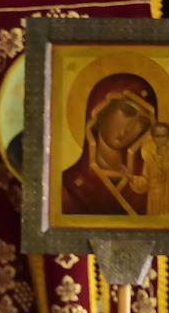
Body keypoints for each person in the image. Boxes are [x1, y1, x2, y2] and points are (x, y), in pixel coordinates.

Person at [61, 73, 156, 216]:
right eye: (128, 112)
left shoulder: (148, 186)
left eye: (142, 123)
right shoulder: (67, 185)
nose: (131, 127)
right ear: (100, 110)